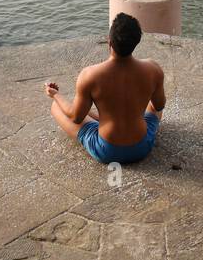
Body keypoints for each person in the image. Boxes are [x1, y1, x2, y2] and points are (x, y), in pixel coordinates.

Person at [45, 12, 165, 165]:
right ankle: (117, 118)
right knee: (154, 102)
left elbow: (76, 117)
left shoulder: (90, 75)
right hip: (141, 147)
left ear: (109, 42)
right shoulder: (153, 69)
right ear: (137, 42)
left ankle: (103, 119)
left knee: (57, 107)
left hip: (107, 150)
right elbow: (159, 105)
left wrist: (55, 95)